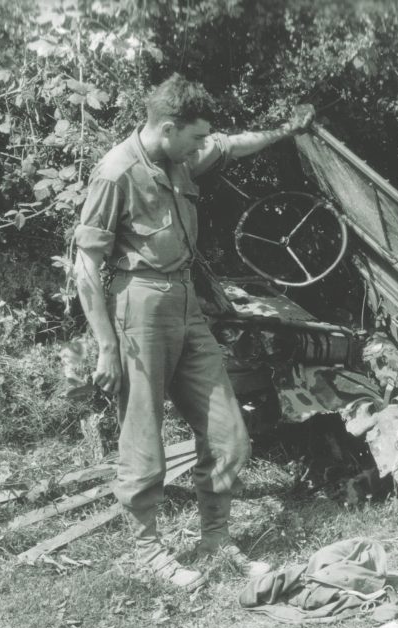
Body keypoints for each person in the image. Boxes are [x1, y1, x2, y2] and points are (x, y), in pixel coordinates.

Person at [73, 74, 313, 590]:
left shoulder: (179, 159)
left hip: (187, 303)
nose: (203, 145)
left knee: (229, 434)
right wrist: (106, 344)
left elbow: (231, 145)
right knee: (143, 440)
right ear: (166, 128)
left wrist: (285, 130)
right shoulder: (116, 173)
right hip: (138, 310)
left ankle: (215, 540)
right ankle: (149, 553)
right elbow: (86, 265)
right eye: (195, 136)